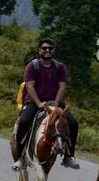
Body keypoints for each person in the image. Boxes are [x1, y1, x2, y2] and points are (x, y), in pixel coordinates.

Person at [15, 37, 80, 168]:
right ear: (39, 51)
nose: (47, 50)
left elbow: (62, 86)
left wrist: (56, 102)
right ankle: (20, 157)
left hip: (55, 103)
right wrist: (39, 103)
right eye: (44, 48)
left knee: (73, 123)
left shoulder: (60, 67)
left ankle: (68, 156)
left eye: (50, 48)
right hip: (35, 102)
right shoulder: (32, 66)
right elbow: (29, 86)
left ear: (54, 50)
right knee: (24, 122)